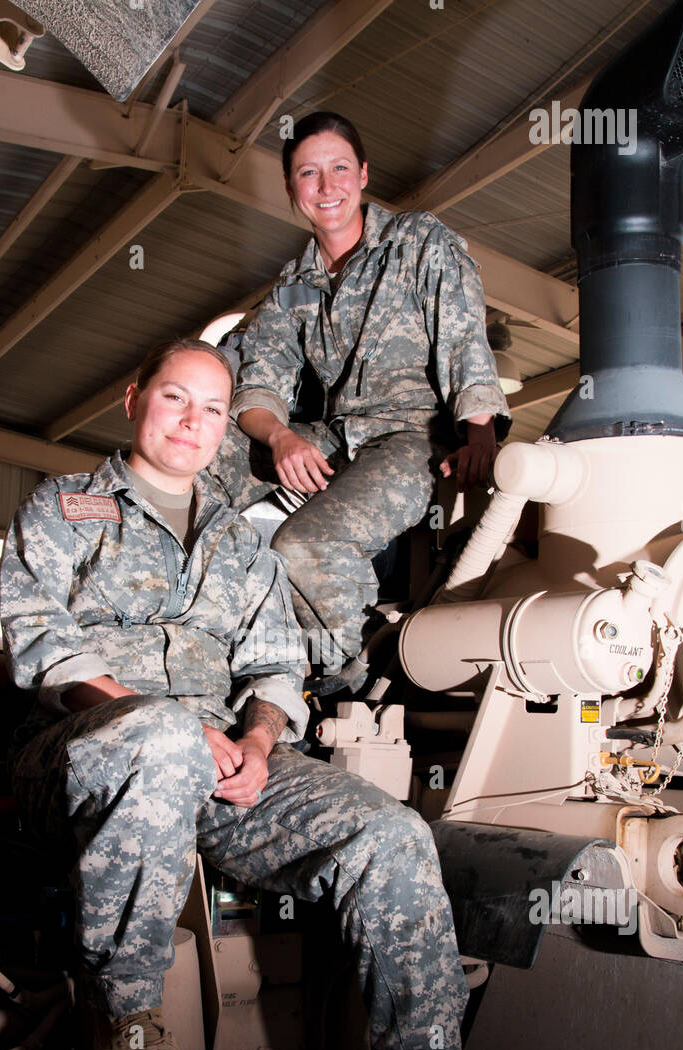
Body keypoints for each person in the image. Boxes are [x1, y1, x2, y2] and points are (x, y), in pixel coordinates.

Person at [0, 338, 523, 1050]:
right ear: (134, 400)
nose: (193, 423)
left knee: (386, 834)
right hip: (83, 750)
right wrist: (155, 719)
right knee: (161, 737)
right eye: (176, 399)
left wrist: (258, 740)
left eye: (213, 409)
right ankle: (125, 1019)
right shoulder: (63, 507)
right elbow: (40, 646)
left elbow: (276, 667)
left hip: (214, 756)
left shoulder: (240, 543)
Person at [211, 110, 511, 691]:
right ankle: (176, 600)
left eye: (339, 168)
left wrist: (480, 434)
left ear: (364, 173)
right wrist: (279, 436)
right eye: (308, 173)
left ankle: (352, 674)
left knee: (306, 545)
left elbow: (464, 337)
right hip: (336, 436)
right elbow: (259, 380)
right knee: (206, 449)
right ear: (291, 188)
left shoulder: (419, 241)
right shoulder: (293, 283)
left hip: (414, 438)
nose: (327, 187)